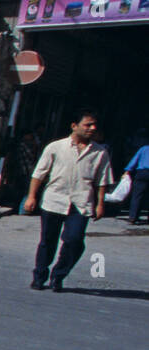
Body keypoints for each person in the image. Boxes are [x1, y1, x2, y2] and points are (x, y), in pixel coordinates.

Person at [24, 108, 114, 291]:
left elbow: (102, 181)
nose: (92, 128)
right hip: (54, 199)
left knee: (74, 240)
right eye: (87, 124)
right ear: (74, 126)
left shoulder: (100, 152)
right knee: (47, 240)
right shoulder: (55, 147)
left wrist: (100, 204)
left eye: (94, 125)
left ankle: (59, 275)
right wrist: (31, 196)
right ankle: (40, 275)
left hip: (81, 203)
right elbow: (39, 174)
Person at [121, 129, 149, 225]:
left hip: (142, 173)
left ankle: (133, 217)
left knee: (137, 196)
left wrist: (127, 171)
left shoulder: (144, 148)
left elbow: (135, 160)